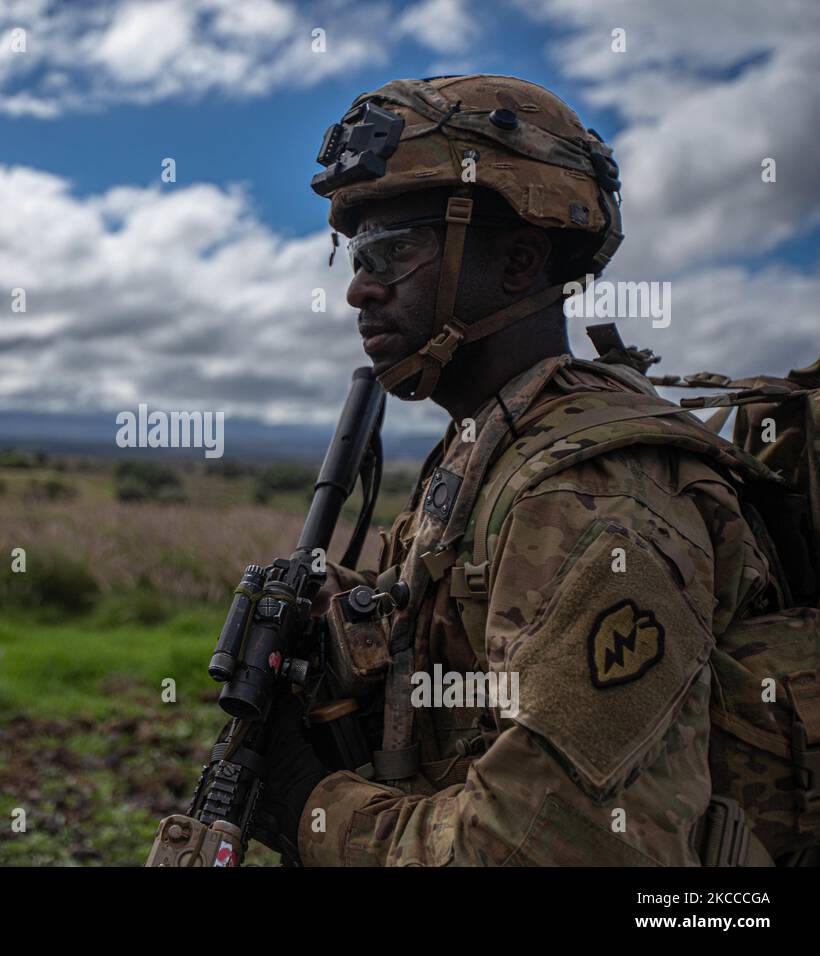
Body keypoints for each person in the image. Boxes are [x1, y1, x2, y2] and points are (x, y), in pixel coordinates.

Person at [257, 74, 781, 866]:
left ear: (520, 261)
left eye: (393, 253)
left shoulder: (590, 496)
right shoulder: (491, 443)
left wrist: (315, 810)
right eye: (355, 257)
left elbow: (559, 847)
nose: (360, 290)